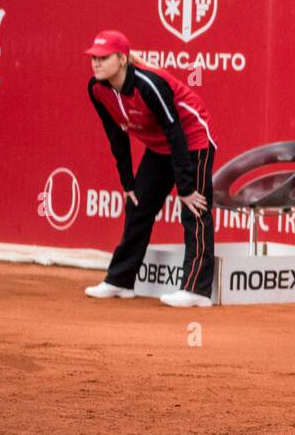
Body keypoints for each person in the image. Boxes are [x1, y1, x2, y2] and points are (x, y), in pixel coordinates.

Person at [82, 30, 217, 308]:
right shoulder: (97, 89)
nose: (96, 63)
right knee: (138, 205)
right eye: (94, 57)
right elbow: (115, 135)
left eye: (103, 57)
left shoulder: (149, 83)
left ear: (121, 59)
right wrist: (128, 183)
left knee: (194, 207)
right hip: (158, 147)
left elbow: (175, 131)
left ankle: (197, 290)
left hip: (192, 139)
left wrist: (187, 187)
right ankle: (120, 281)